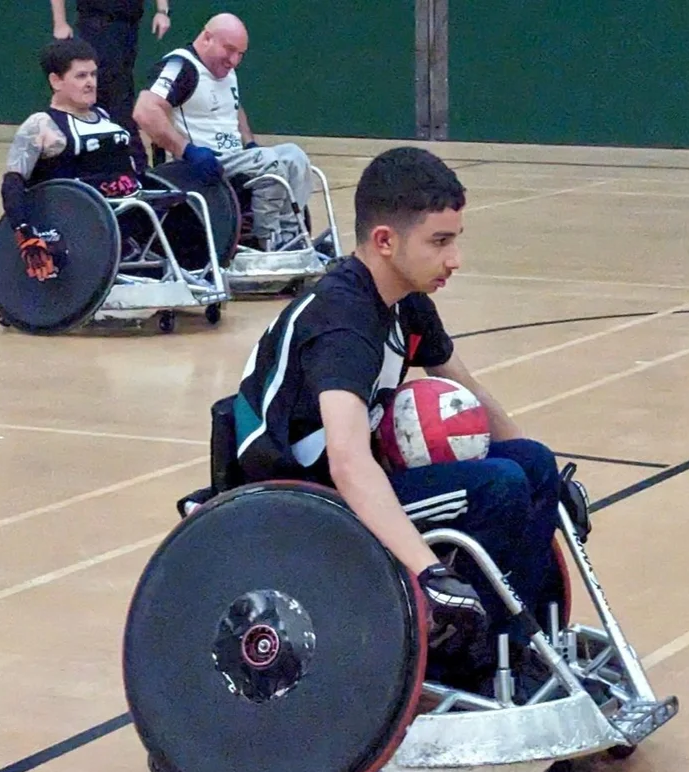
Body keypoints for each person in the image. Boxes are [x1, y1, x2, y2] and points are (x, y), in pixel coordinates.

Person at [231, 146, 563, 692]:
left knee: (530, 462)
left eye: (455, 239)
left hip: (357, 481)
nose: (454, 259)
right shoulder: (342, 320)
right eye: (440, 242)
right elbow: (346, 460)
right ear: (385, 241)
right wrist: (429, 573)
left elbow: (467, 388)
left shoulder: (404, 298)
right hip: (304, 505)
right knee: (497, 487)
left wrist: (549, 488)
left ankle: (522, 640)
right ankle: (475, 660)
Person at [132, 12, 313, 251]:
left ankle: (292, 236)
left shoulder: (225, 72)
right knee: (270, 162)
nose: (234, 60)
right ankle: (268, 242)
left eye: (240, 54)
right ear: (207, 38)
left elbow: (233, 107)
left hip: (233, 160)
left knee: (294, 155)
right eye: (229, 50)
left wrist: (249, 144)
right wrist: (187, 151)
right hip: (199, 165)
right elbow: (144, 111)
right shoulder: (179, 65)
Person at [1, 38, 141, 281]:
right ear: (56, 81)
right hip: (79, 223)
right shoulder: (41, 124)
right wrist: (25, 233)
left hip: (130, 212)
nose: (91, 83)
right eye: (81, 76)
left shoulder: (105, 117)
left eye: (93, 75)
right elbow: (13, 182)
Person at [49, 0, 172, 173]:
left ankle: (121, 165)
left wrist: (162, 11)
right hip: (97, 25)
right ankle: (137, 167)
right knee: (113, 98)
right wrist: (60, 22)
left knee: (119, 95)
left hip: (127, 27)